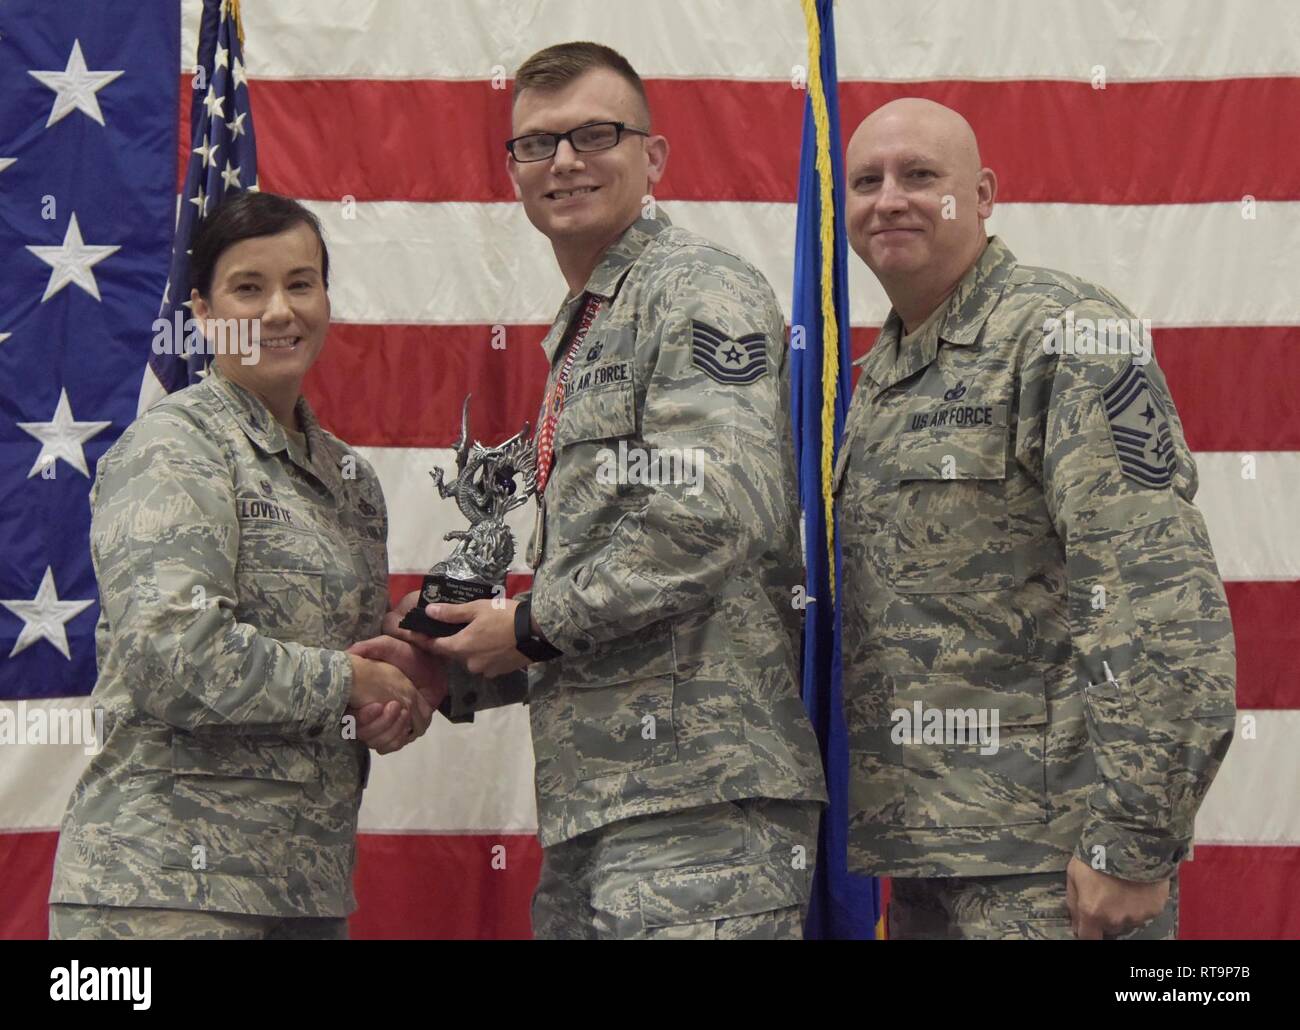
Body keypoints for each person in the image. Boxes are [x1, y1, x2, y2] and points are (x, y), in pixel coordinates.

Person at [373, 42, 826, 940]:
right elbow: (614, 586)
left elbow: (711, 511)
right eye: (538, 145)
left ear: (653, 156)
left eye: (595, 134)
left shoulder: (695, 291)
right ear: (513, 170)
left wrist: (531, 625)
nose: (566, 162)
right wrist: (456, 660)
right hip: (603, 808)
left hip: (704, 813)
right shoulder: (587, 326)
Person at [835, 98, 1237, 939]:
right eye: (865, 181)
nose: (889, 199)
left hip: (1053, 865)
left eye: (920, 176)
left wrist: (1134, 841)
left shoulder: (1064, 334)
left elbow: (1156, 594)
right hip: (929, 857)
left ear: (982, 195)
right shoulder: (880, 374)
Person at [48, 192, 438, 940]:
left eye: (300, 283)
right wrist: (351, 680)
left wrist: (395, 690)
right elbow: (174, 657)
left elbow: (342, 672)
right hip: (161, 894)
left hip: (304, 891)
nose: (279, 312)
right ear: (201, 309)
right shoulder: (176, 448)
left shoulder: (350, 480)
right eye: (248, 288)